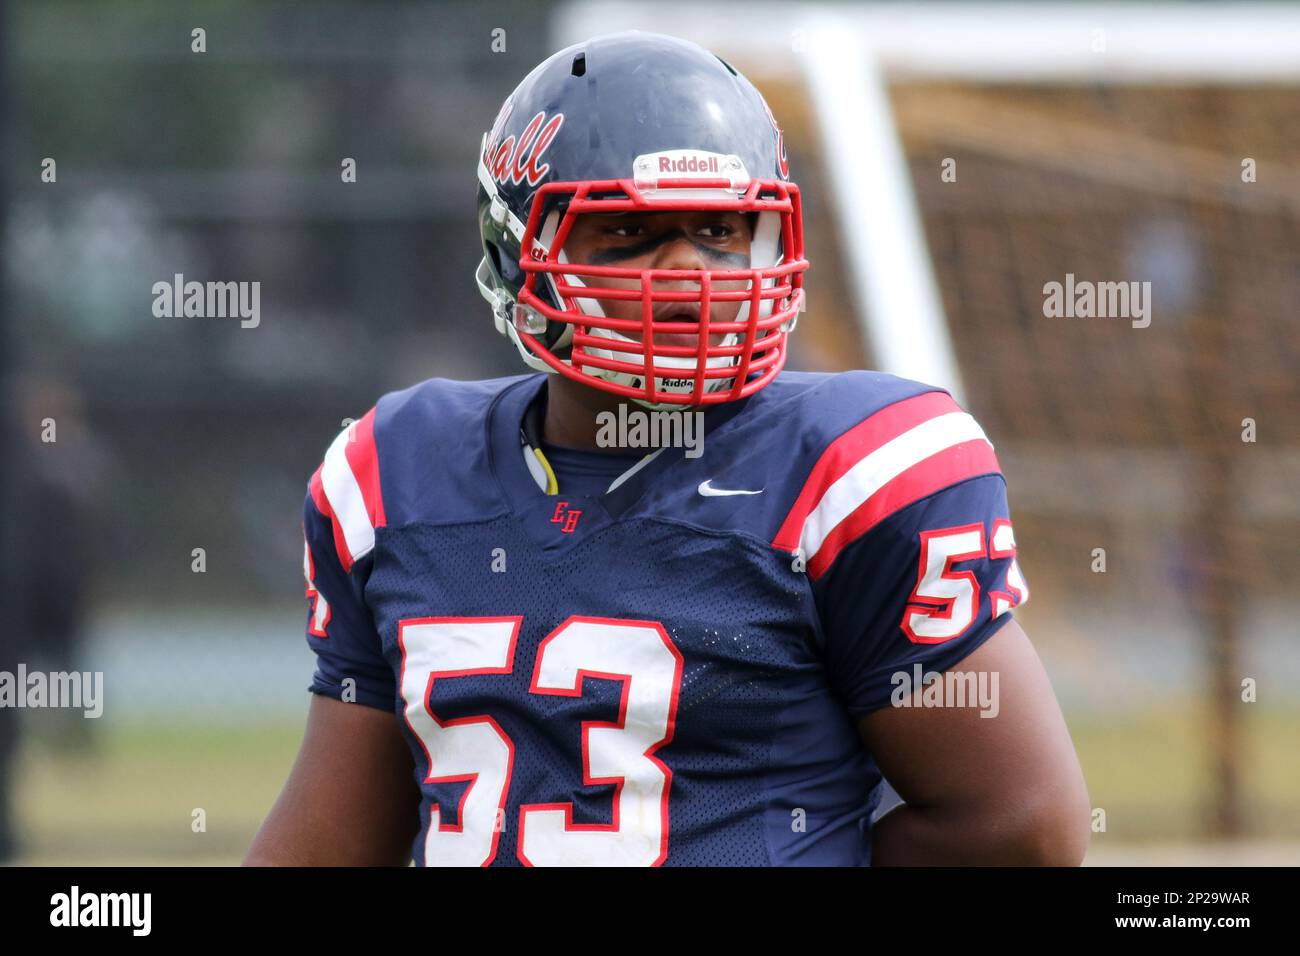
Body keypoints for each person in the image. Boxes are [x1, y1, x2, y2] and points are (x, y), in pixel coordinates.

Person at [246, 31, 1089, 866]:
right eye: (629, 235)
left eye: (722, 230)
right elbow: (332, 842)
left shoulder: (847, 470)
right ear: (517, 257)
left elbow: (1019, 826)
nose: (691, 274)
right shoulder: (395, 473)